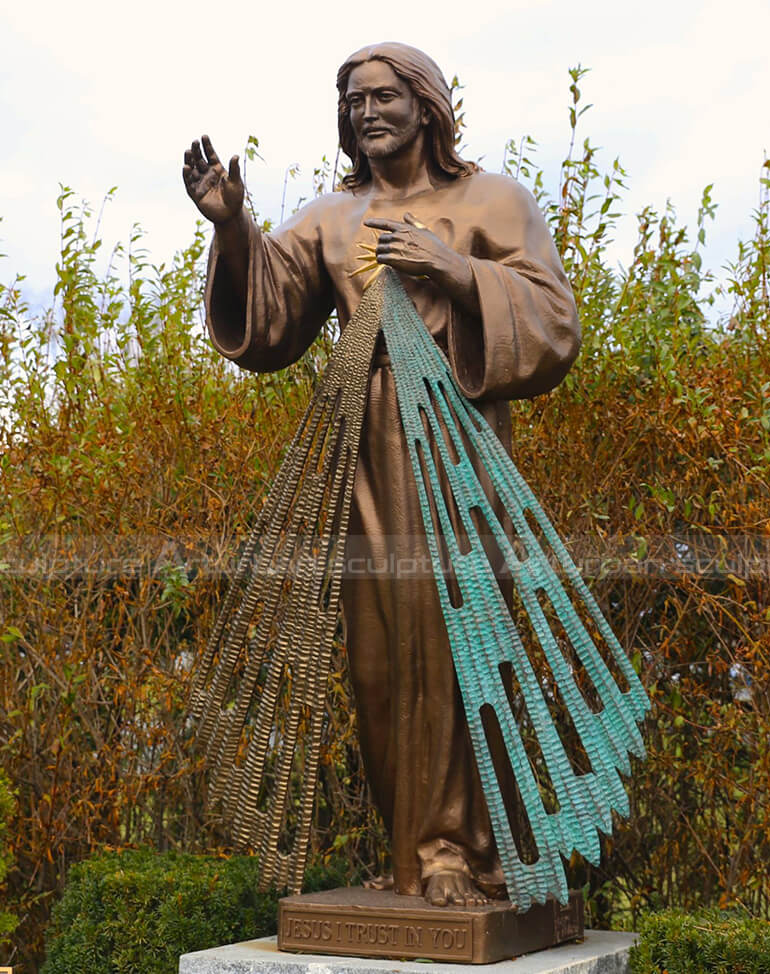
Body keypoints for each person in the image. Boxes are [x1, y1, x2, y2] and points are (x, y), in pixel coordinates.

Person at [183, 42, 580, 907]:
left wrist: (457, 271)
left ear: (427, 106)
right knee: (377, 664)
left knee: (451, 650)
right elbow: (268, 323)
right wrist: (231, 228)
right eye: (355, 100)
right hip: (365, 456)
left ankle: (456, 853)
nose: (368, 112)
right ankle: (411, 853)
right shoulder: (331, 217)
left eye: (385, 97)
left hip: (459, 456)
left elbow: (553, 320)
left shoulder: (491, 201)